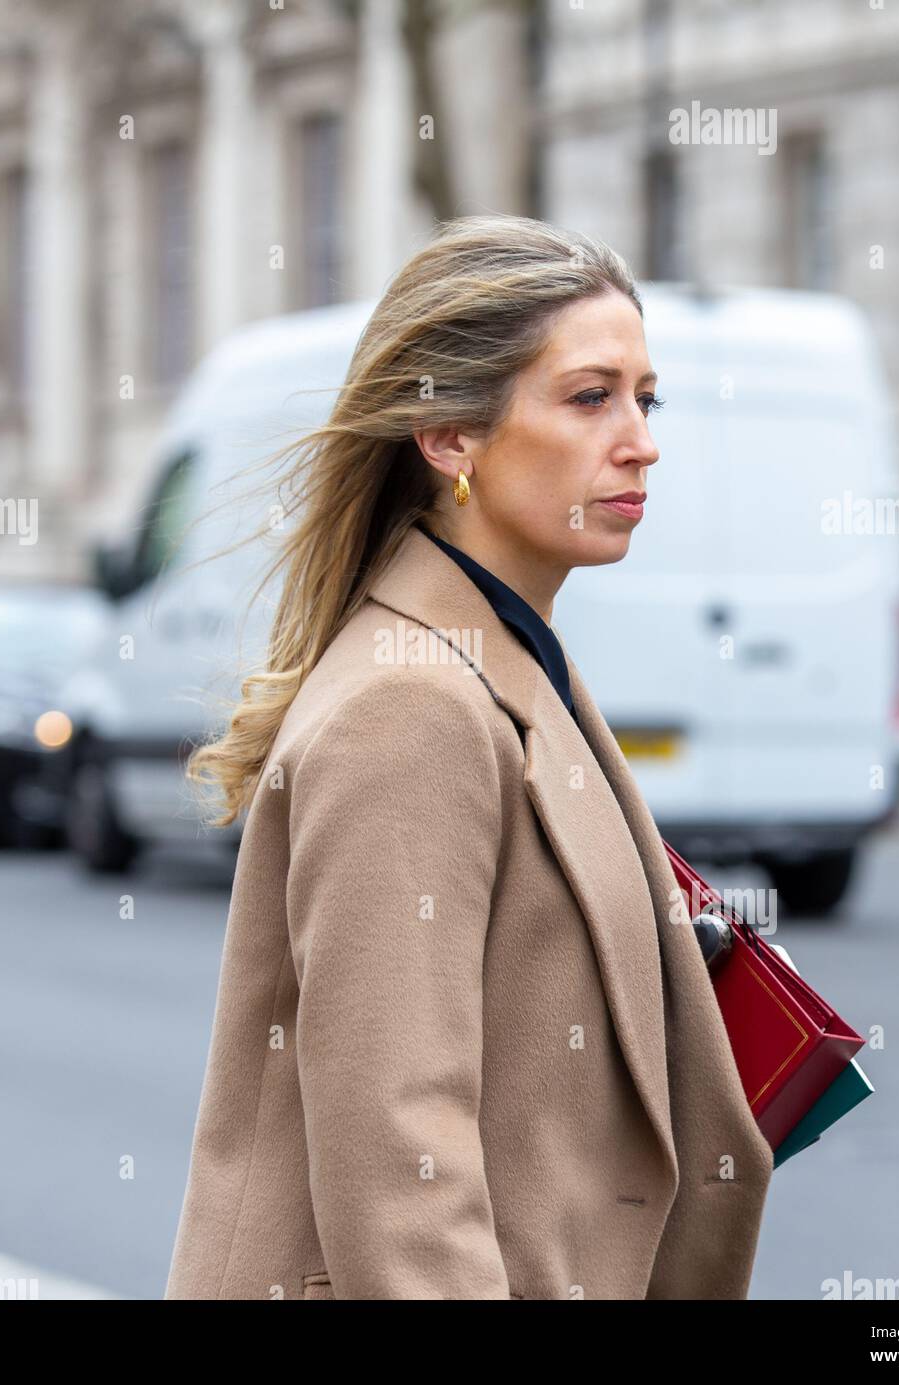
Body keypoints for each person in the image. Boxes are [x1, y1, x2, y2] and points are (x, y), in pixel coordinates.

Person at [164, 214, 772, 1301]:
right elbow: (404, 1166)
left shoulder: (506, 654)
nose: (640, 437)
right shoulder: (410, 704)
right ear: (450, 437)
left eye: (646, 395)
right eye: (590, 397)